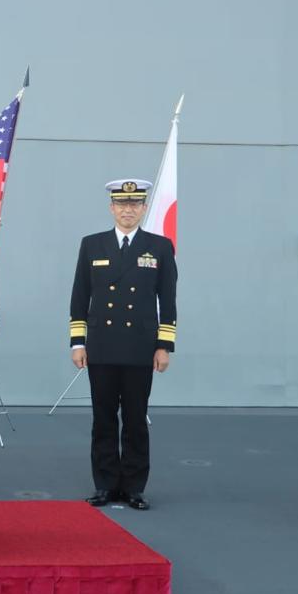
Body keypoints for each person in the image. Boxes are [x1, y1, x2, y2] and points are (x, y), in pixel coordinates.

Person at [69, 178, 177, 511]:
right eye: (121, 204)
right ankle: (104, 484)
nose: (127, 210)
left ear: (143, 208)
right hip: (101, 346)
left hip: (139, 347)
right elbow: (79, 297)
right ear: (111, 207)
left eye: (134, 204)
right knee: (102, 418)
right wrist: (78, 342)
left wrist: (164, 346)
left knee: (134, 419)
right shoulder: (92, 245)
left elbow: (168, 300)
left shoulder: (159, 247)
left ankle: (133, 487)